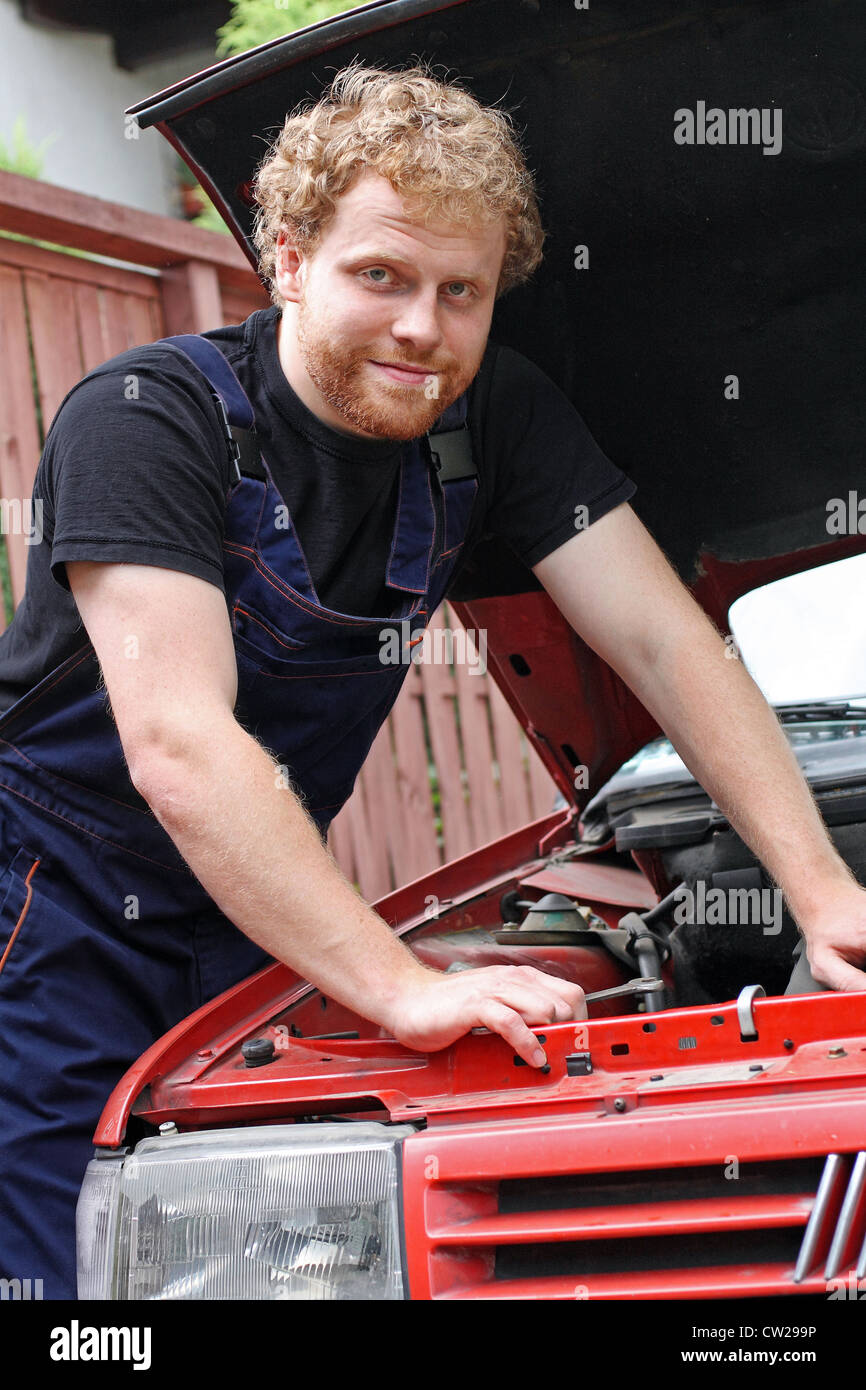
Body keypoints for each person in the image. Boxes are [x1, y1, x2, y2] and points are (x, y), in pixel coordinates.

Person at [0, 60, 863, 1301]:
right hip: (48, 928)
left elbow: (667, 643)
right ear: (286, 256)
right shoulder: (146, 422)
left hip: (256, 923)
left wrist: (821, 891)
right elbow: (181, 746)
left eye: (461, 291)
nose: (423, 327)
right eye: (380, 276)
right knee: (64, 1288)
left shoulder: (491, 417)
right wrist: (398, 985)